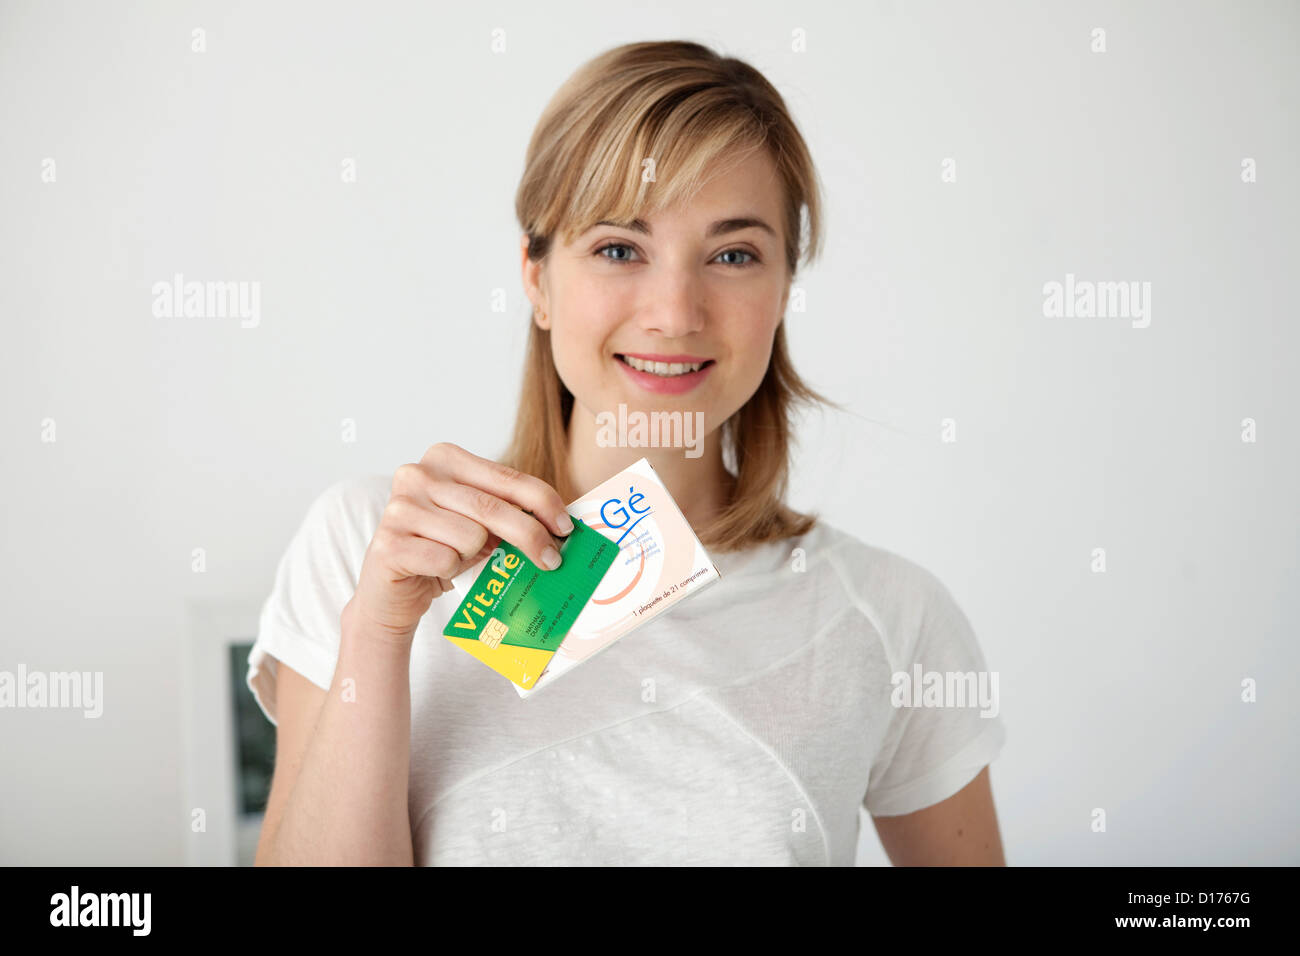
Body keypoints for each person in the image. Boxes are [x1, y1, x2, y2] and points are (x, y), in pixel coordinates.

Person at [246, 39, 1007, 866]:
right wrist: (380, 631)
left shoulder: (890, 615)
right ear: (536, 277)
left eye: (732, 254)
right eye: (619, 248)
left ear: (785, 286)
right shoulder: (368, 546)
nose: (675, 313)